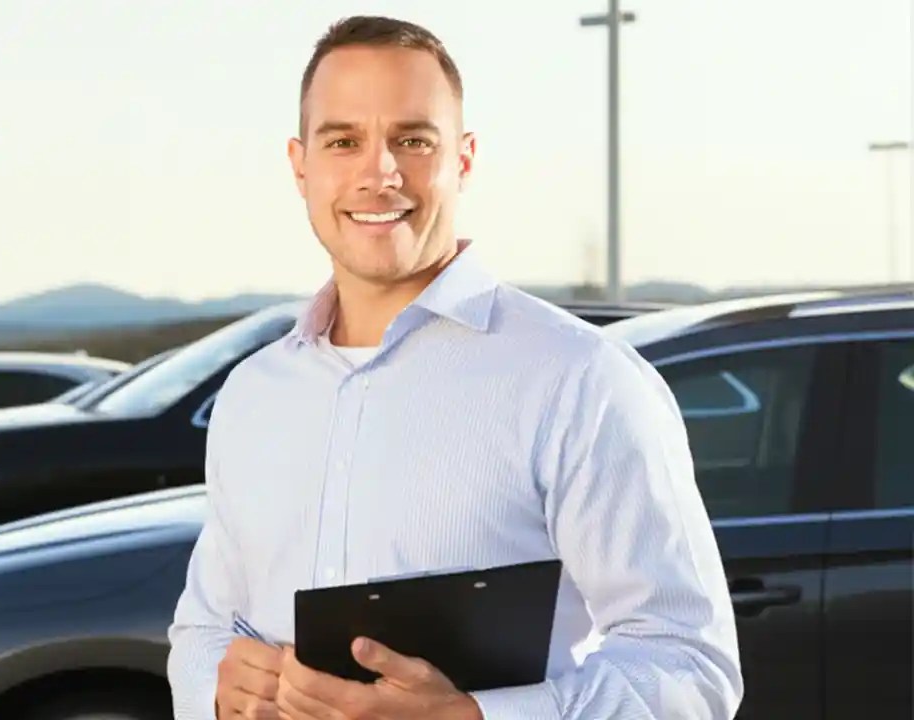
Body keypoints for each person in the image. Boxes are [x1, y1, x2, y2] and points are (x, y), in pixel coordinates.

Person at [167, 14, 743, 720]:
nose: (379, 172)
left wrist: (474, 717)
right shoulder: (254, 396)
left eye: (412, 140)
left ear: (462, 160)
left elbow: (691, 664)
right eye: (343, 141)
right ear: (300, 165)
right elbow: (203, 629)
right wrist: (213, 692)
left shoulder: (581, 381)